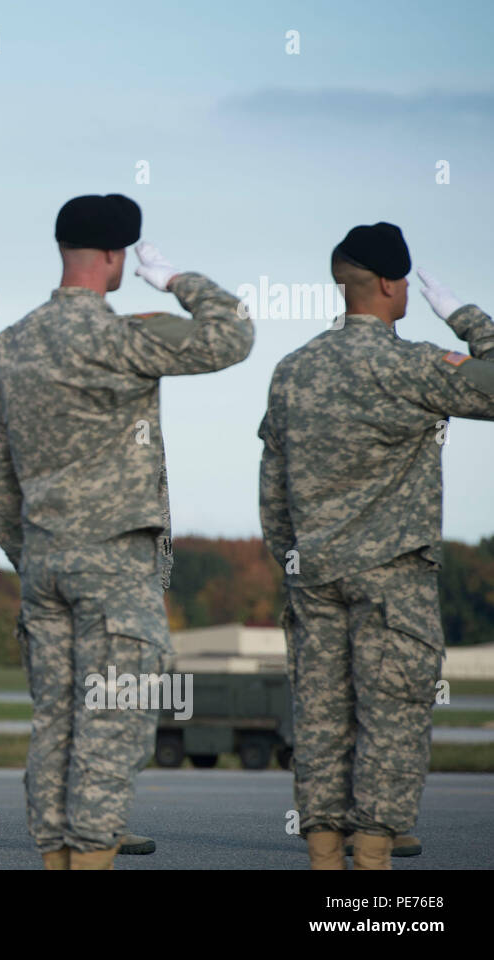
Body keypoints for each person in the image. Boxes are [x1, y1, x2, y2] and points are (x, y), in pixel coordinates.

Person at [0, 194, 253, 869]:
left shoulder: (13, 341)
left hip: (43, 560)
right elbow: (234, 333)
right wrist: (176, 281)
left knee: (55, 722)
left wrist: (31, 551)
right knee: (113, 723)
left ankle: (55, 857)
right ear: (114, 257)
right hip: (112, 563)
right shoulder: (119, 336)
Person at [258, 223, 494, 870]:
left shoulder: (293, 371)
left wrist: (294, 561)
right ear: (391, 284)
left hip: (314, 573)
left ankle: (324, 855)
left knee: (320, 715)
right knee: (392, 711)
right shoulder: (413, 365)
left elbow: (272, 491)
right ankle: (373, 861)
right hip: (391, 576)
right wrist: (470, 320)